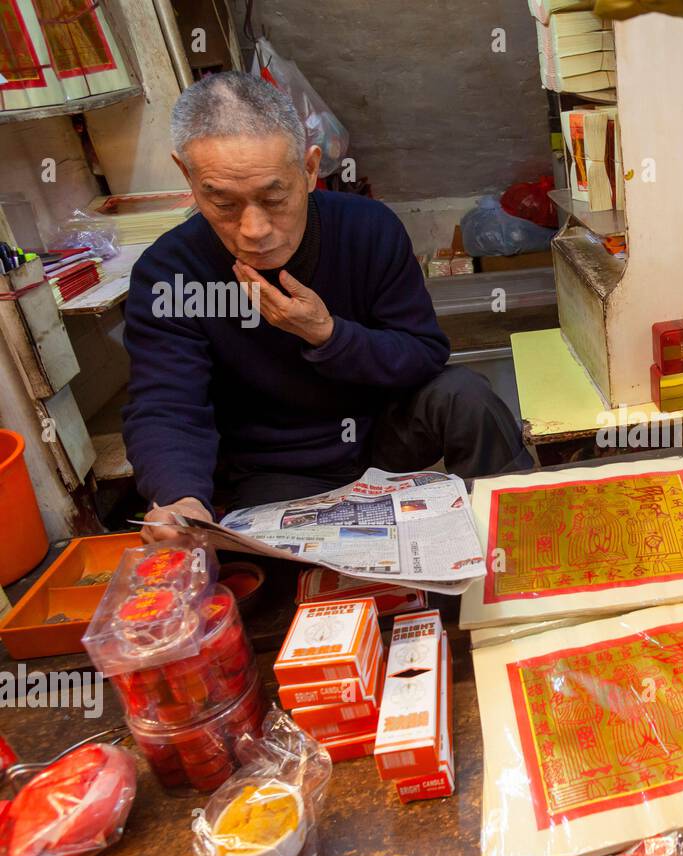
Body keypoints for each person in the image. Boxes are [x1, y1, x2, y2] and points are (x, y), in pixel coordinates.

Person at [122, 72, 532, 542]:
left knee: (465, 394)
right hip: (275, 466)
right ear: (187, 177)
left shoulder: (367, 229)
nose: (254, 229)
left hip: (381, 430)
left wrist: (329, 335)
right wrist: (180, 496)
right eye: (223, 203)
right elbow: (167, 403)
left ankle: (519, 538)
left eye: (274, 198)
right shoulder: (171, 272)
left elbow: (422, 354)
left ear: (311, 168)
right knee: (286, 577)